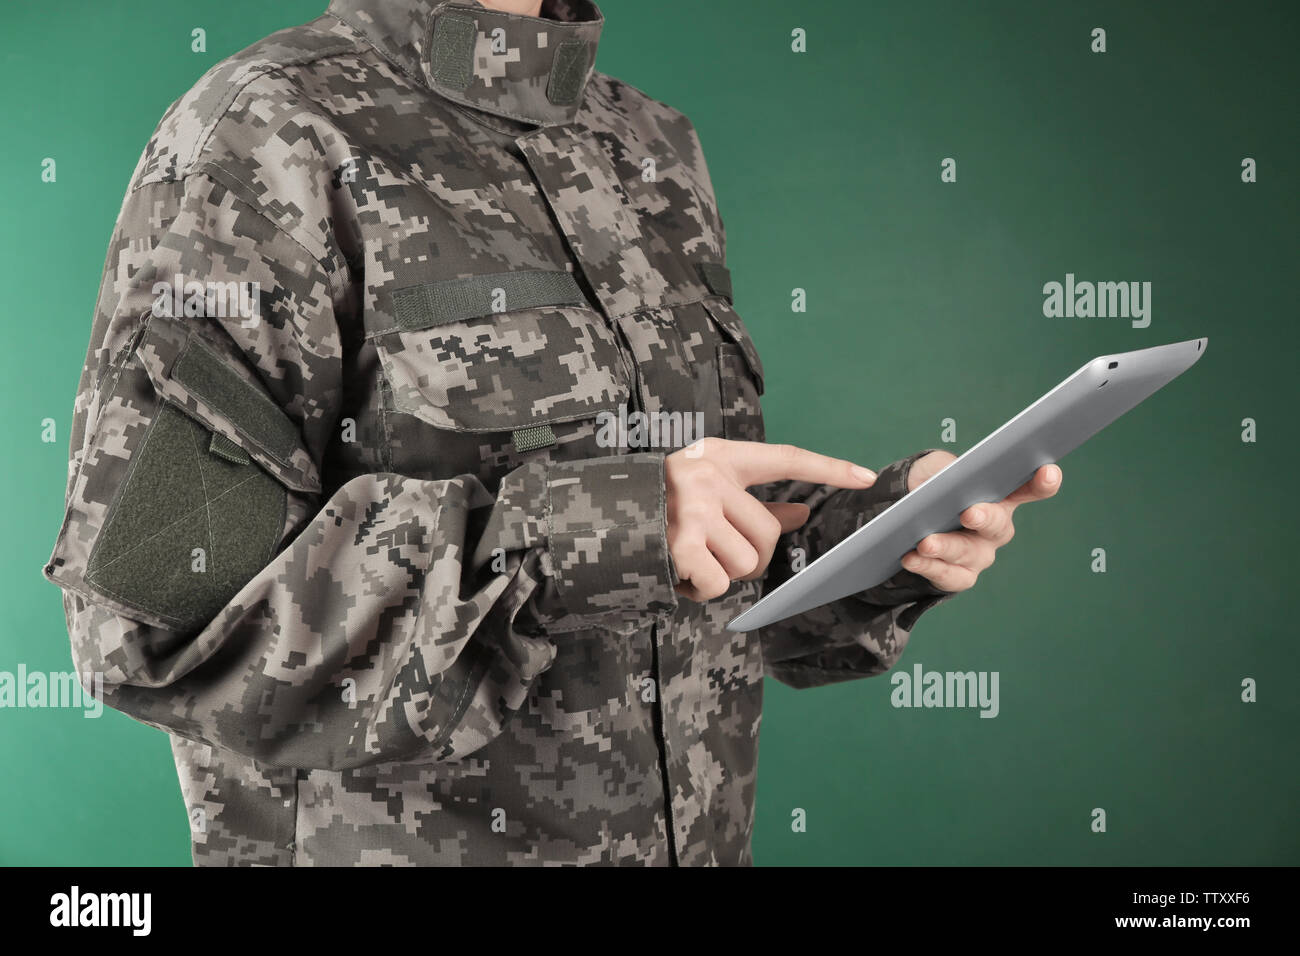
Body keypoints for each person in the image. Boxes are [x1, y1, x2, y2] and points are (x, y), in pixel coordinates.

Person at [43, 0, 1061, 866]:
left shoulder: (649, 146)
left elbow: (693, 580)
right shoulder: (265, 127)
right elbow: (158, 615)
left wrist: (865, 546)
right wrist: (597, 529)